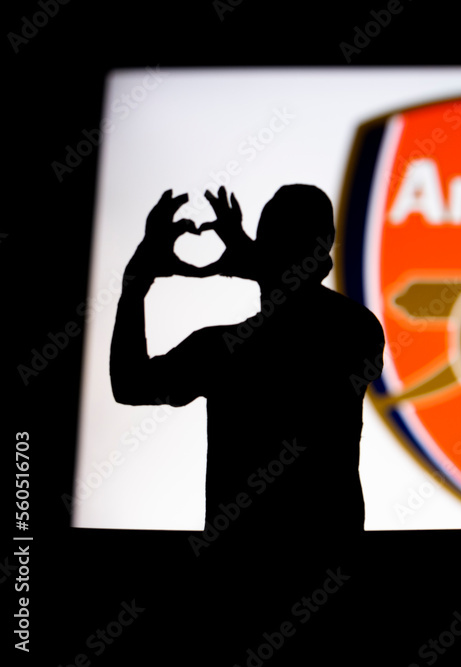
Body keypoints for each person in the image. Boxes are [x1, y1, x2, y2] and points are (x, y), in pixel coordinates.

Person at [110, 185, 384, 659]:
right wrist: (254, 258)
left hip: (237, 579)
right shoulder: (356, 330)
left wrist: (136, 285)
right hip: (323, 567)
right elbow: (130, 387)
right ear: (326, 247)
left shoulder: (223, 349)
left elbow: (131, 384)